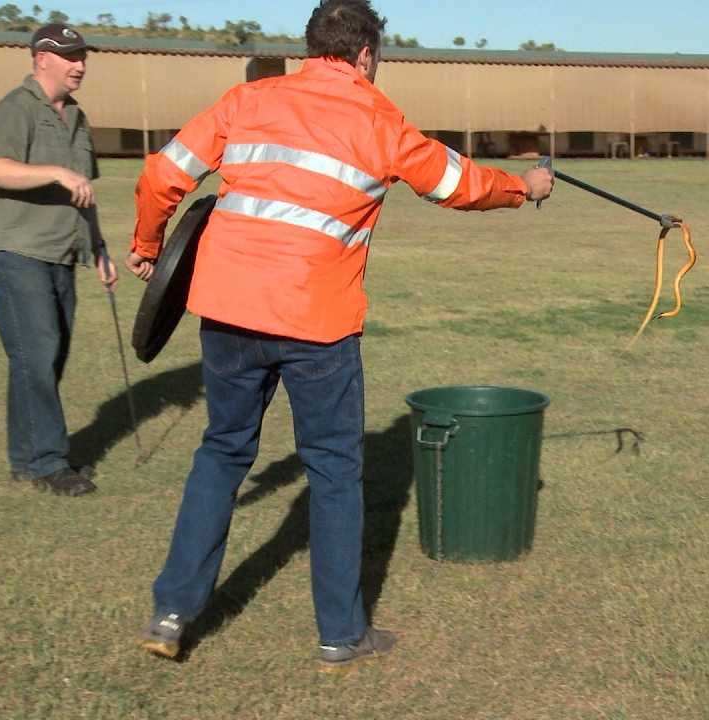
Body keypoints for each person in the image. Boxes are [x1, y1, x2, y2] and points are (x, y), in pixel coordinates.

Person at [126, 0, 553, 672]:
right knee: (332, 471)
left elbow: (162, 174)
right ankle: (340, 635)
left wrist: (148, 245)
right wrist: (524, 186)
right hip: (316, 323)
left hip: (228, 312)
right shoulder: (381, 120)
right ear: (365, 54)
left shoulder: (247, 100)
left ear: (311, 47)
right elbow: (459, 183)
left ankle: (172, 613)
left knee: (222, 452)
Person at [0, 23, 118, 497]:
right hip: (17, 249)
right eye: (70, 57)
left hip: (62, 251)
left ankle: (27, 456)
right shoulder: (16, 108)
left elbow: (85, 190)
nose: (80, 65)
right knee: (36, 351)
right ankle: (47, 462)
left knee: (45, 356)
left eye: (83, 56)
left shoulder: (77, 116)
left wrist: (99, 248)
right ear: (43, 59)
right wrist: (55, 171)